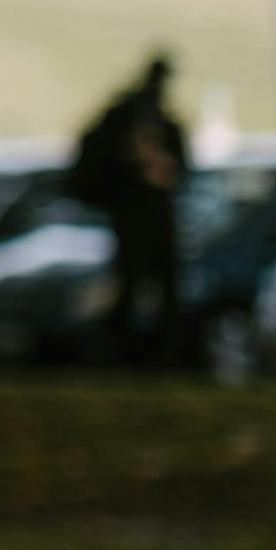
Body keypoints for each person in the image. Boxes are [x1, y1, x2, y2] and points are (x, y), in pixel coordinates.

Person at [71, 51, 190, 367]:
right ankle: (128, 350)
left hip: (146, 210)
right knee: (134, 281)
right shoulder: (129, 119)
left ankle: (151, 351)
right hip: (133, 209)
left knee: (153, 281)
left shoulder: (148, 118)